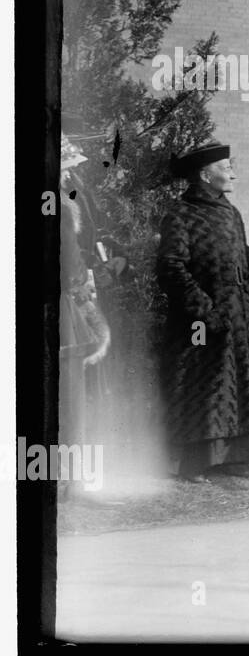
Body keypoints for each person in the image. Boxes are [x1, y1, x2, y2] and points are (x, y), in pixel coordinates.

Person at [156, 143, 249, 482]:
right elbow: (171, 267)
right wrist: (204, 310)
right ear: (205, 175)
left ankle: (232, 456)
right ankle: (196, 460)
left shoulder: (231, 211)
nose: (233, 173)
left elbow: (245, 255)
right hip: (199, 319)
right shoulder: (181, 213)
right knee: (199, 378)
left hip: (237, 313)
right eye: (226, 166)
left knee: (234, 380)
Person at [59, 134, 111, 493]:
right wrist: (84, 289)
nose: (71, 176)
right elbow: (68, 259)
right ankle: (67, 480)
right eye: (68, 168)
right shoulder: (61, 205)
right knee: (70, 391)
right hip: (65, 303)